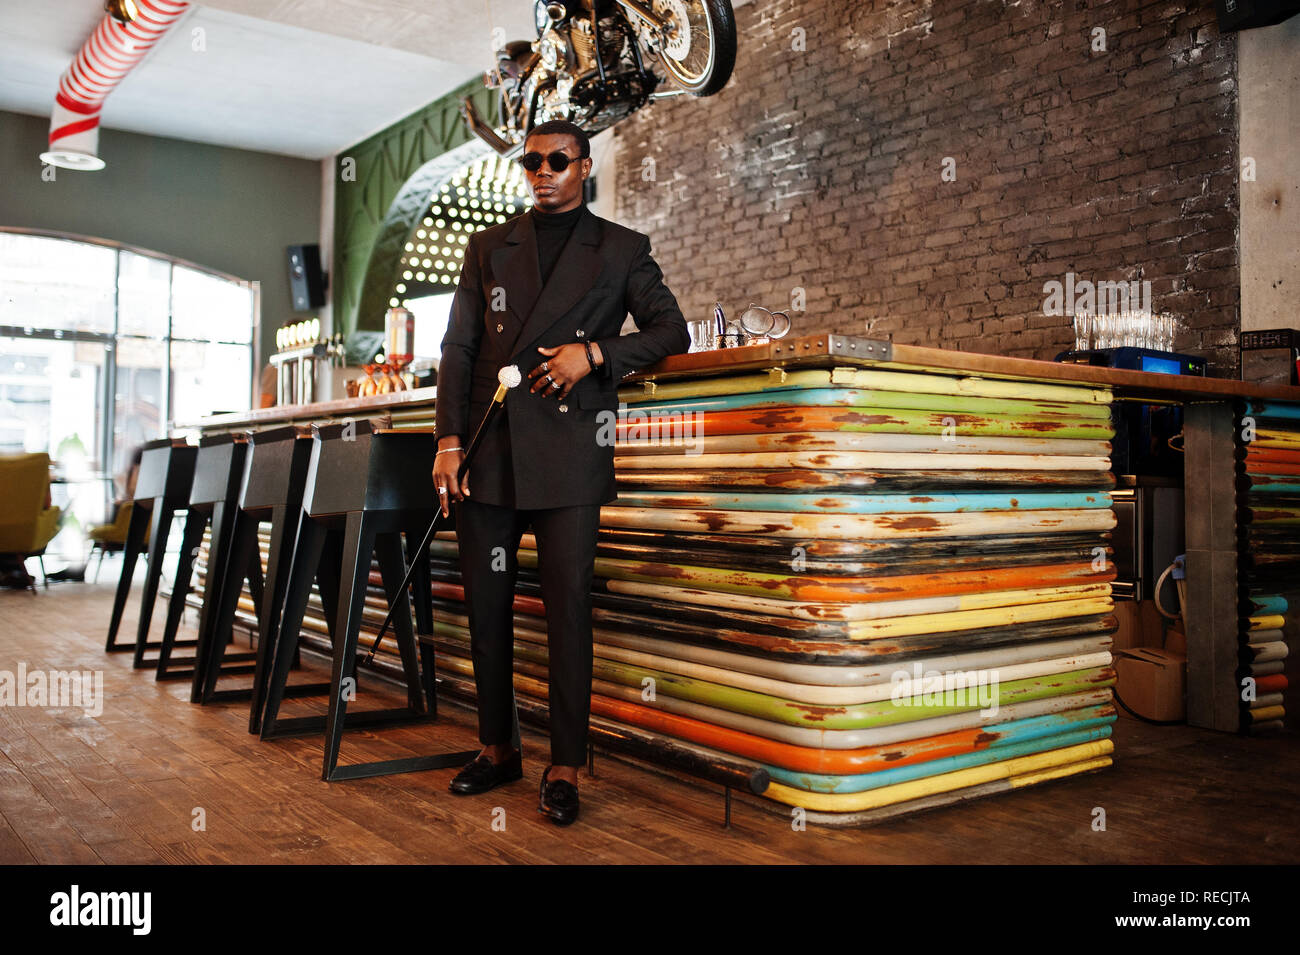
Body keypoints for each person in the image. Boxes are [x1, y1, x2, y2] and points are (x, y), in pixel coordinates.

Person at [434, 119, 689, 825]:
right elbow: (458, 347)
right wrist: (448, 440)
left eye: (556, 160)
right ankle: (497, 746)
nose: (541, 171)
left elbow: (672, 330)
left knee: (568, 614)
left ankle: (565, 763)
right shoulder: (489, 247)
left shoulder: (621, 248)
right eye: (531, 162)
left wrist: (596, 354)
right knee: (485, 608)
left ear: (583, 167)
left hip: (571, 454)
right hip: (489, 451)